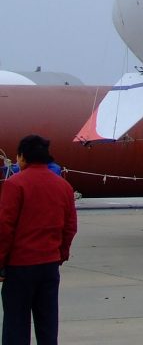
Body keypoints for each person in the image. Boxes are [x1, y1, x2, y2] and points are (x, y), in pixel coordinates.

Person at [0, 135, 78, 345]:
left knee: (15, 326)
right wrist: (60, 254)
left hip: (19, 266)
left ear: (22, 157)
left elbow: (4, 228)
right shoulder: (63, 186)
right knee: (47, 325)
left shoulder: (14, 184)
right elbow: (70, 227)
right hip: (49, 265)